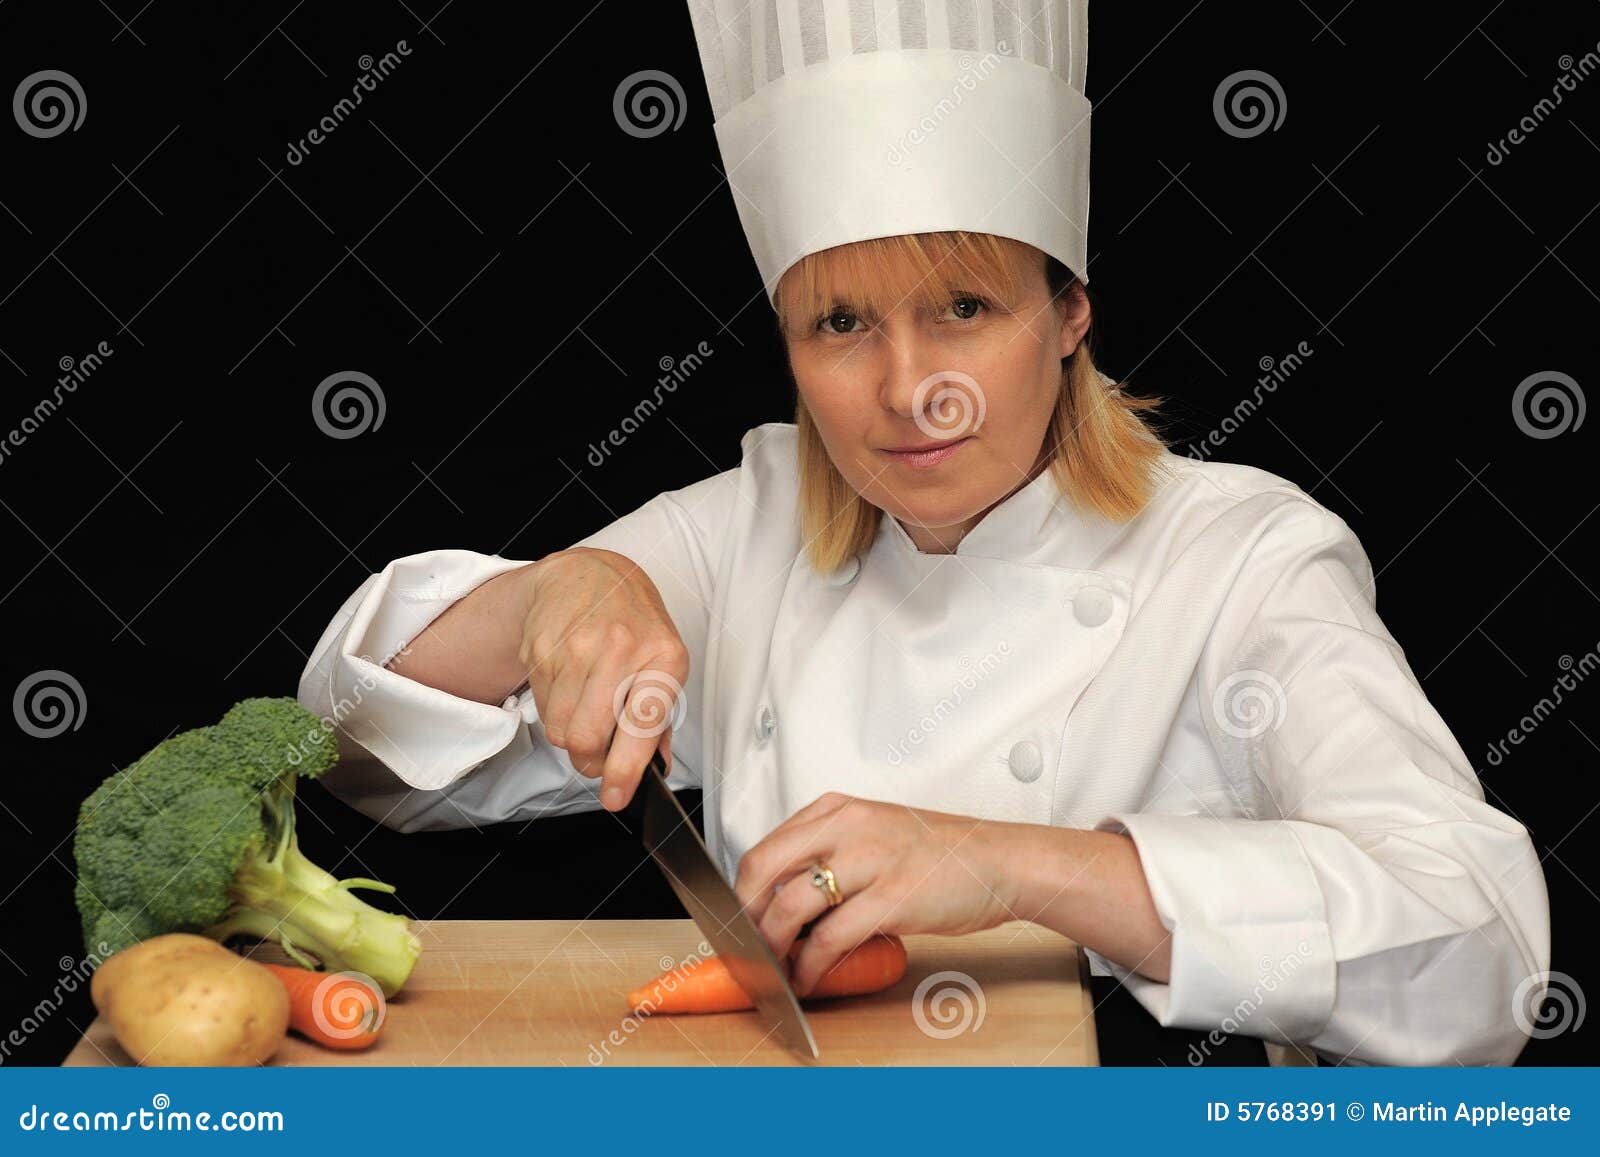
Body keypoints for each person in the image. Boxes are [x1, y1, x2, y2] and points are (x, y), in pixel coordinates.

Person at [297, 2, 1549, 1065]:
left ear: (1066, 314)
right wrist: (555, 598)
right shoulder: (757, 524)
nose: (910, 391)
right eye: (839, 324)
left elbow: (1480, 960)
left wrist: (1014, 867)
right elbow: (360, 759)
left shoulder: (1241, 558)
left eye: (963, 307)